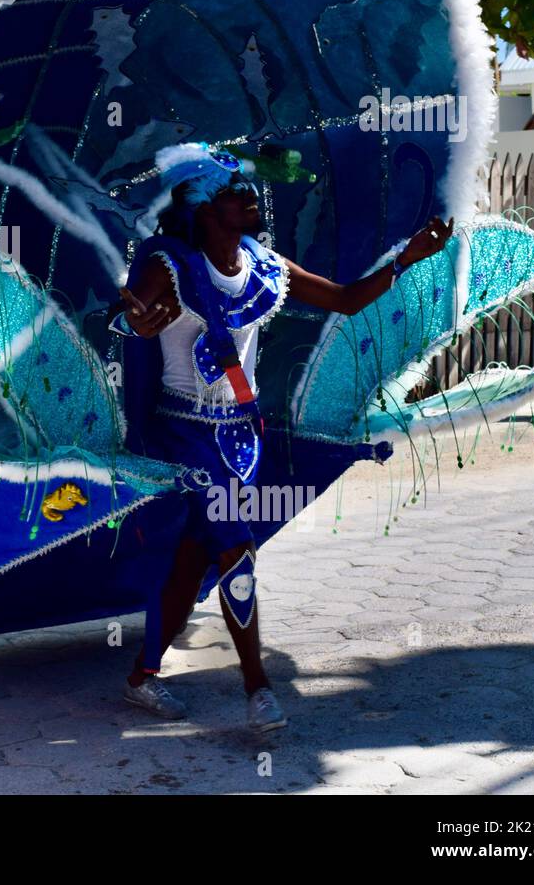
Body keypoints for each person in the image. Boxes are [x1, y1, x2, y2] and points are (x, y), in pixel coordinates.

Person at [115, 143, 452, 732]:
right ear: (201, 205)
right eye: (234, 192)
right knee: (235, 550)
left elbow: (344, 300)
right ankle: (258, 690)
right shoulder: (165, 265)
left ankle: (143, 676)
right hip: (184, 434)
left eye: (248, 188)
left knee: (197, 559)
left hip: (241, 438)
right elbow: (130, 311)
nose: (251, 196)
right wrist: (134, 320)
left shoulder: (264, 266)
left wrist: (408, 260)